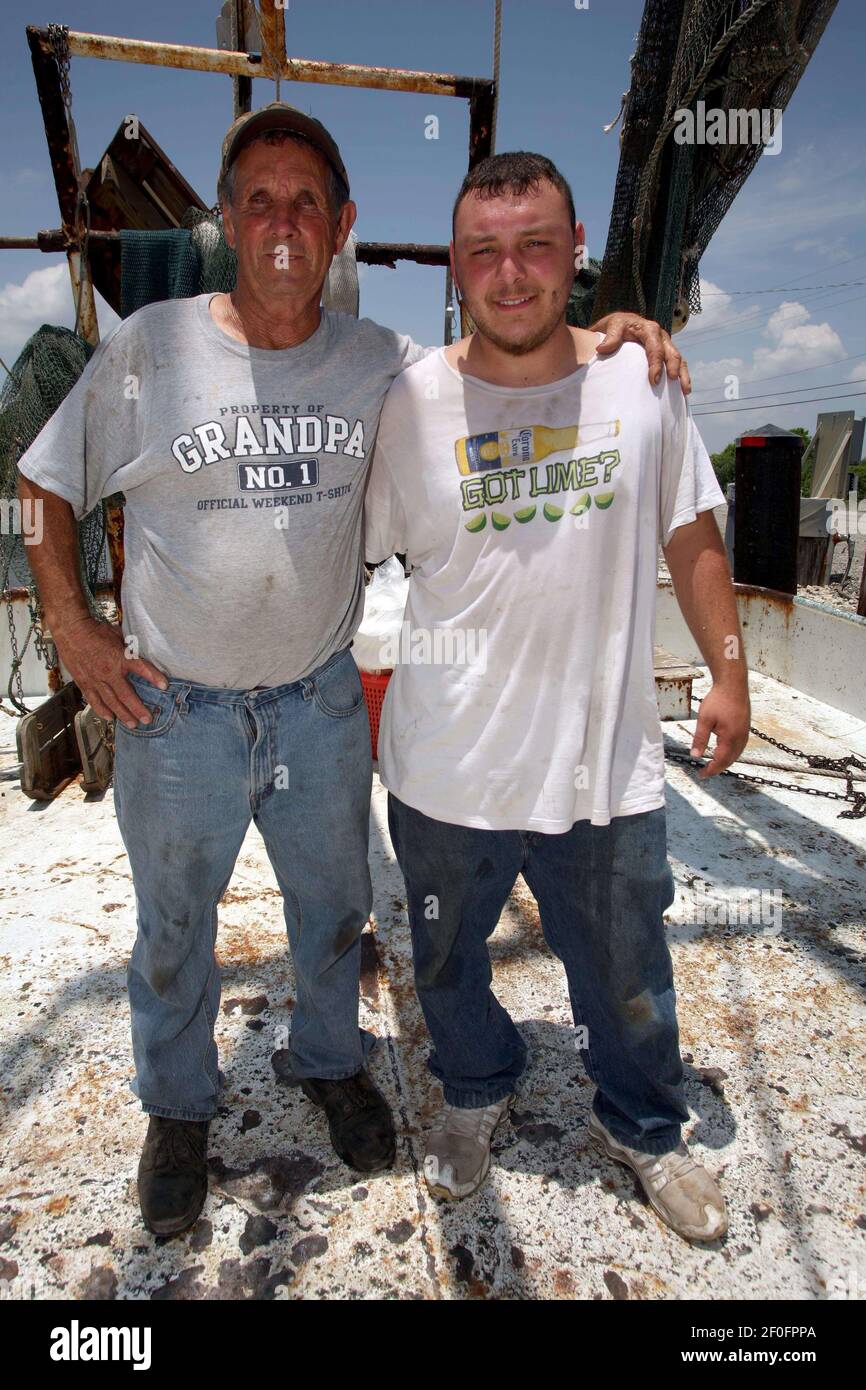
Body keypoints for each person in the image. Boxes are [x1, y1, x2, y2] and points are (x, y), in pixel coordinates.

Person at [17, 105, 690, 1238]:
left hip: (321, 701)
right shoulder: (152, 350)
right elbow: (45, 487)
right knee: (173, 925)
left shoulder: (385, 366)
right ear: (227, 222)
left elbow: (502, 356)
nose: (284, 222)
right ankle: (178, 1106)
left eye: (307, 203)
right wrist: (78, 637)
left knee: (332, 911)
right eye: (260, 201)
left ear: (342, 228)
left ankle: (329, 1062)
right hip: (173, 711)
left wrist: (610, 331)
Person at [364, 151, 751, 1243]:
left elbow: (688, 529)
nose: (511, 272)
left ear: (573, 254)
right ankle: (476, 1090)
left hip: (604, 770)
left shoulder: (641, 382)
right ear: (454, 266)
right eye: (484, 250)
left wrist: (726, 668)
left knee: (629, 975)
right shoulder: (408, 400)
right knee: (444, 962)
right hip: (444, 772)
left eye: (535, 244)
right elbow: (349, 548)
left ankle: (643, 1127)